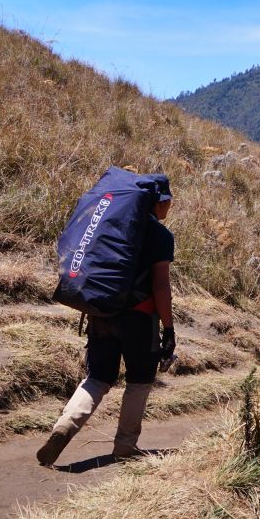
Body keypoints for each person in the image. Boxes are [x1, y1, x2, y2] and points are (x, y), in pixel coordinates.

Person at [37, 178, 177, 466]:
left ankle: (64, 427)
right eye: (167, 201)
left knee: (98, 377)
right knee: (140, 380)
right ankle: (125, 445)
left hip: (102, 313)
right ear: (158, 202)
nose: (169, 206)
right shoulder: (159, 234)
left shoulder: (112, 227)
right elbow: (161, 285)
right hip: (140, 319)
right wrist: (169, 328)